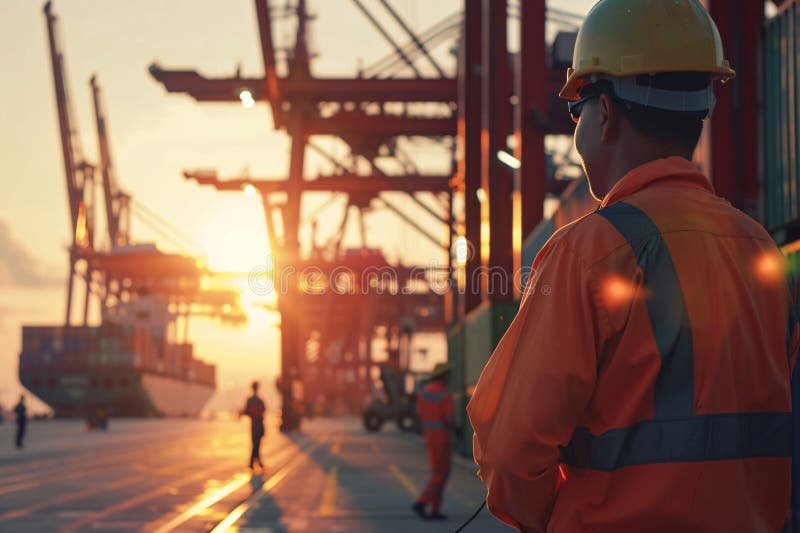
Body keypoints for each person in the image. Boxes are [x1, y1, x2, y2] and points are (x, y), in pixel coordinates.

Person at [467, 1, 796, 531]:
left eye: (576, 109)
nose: (576, 127)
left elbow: (509, 450)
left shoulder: (592, 251)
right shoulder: (761, 252)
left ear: (606, 112)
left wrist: (559, 518)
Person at [411, 362, 454, 521]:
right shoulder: (444, 394)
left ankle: (435, 509)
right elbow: (449, 419)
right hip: (442, 439)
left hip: (430, 439)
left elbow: (419, 414)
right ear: (443, 376)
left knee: (438, 473)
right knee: (441, 474)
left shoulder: (424, 393)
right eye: (448, 375)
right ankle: (422, 502)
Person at [240, 381, 266, 470]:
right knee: (256, 444)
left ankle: (253, 463)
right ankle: (255, 463)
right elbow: (264, 410)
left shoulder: (250, 400)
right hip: (259, 424)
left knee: (255, 444)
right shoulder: (260, 400)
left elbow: (246, 412)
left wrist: (241, 413)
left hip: (254, 424)